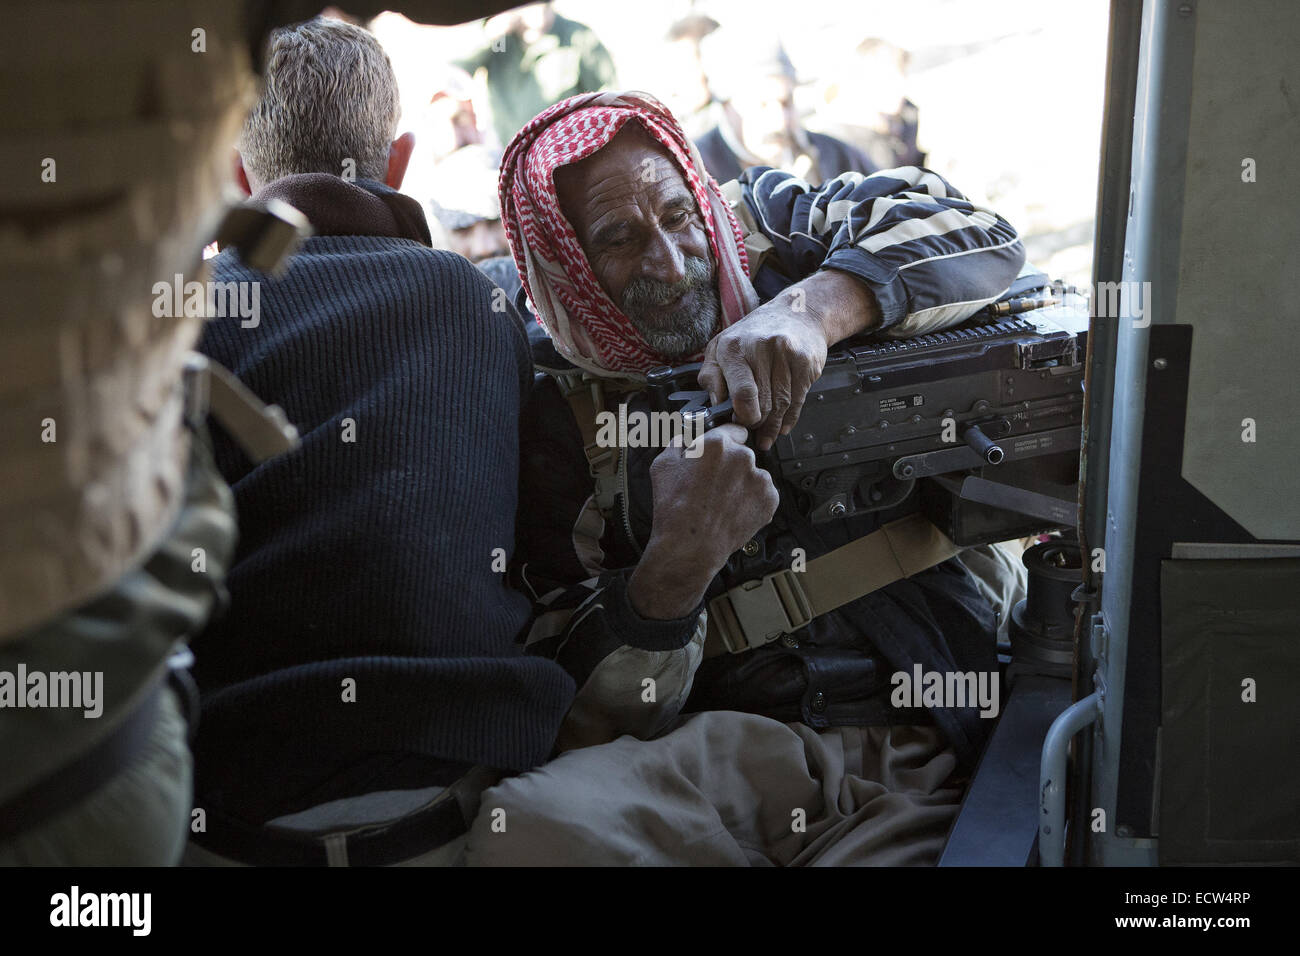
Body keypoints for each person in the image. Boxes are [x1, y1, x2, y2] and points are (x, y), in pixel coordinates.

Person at [464, 91, 1026, 866]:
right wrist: (675, 567)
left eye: (677, 216)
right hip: (736, 752)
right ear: (565, 264)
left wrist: (809, 311)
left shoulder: (773, 229)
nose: (670, 263)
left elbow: (981, 233)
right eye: (619, 239)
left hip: (933, 697)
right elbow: (578, 716)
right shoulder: (553, 416)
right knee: (529, 826)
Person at [186, 16, 574, 865]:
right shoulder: (476, 302)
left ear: (238, 174)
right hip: (458, 786)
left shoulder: (186, 317)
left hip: (231, 801)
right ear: (397, 162)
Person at [695, 36, 877, 186]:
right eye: (763, 104)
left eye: (786, 103)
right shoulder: (697, 174)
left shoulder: (836, 157)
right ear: (727, 107)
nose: (780, 120)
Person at [456, 2, 616, 150]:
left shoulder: (577, 36)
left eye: (542, 7)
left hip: (563, 150)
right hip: (509, 150)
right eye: (528, 8)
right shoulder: (500, 42)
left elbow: (608, 97)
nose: (537, 20)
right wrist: (489, 35)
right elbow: (458, 68)